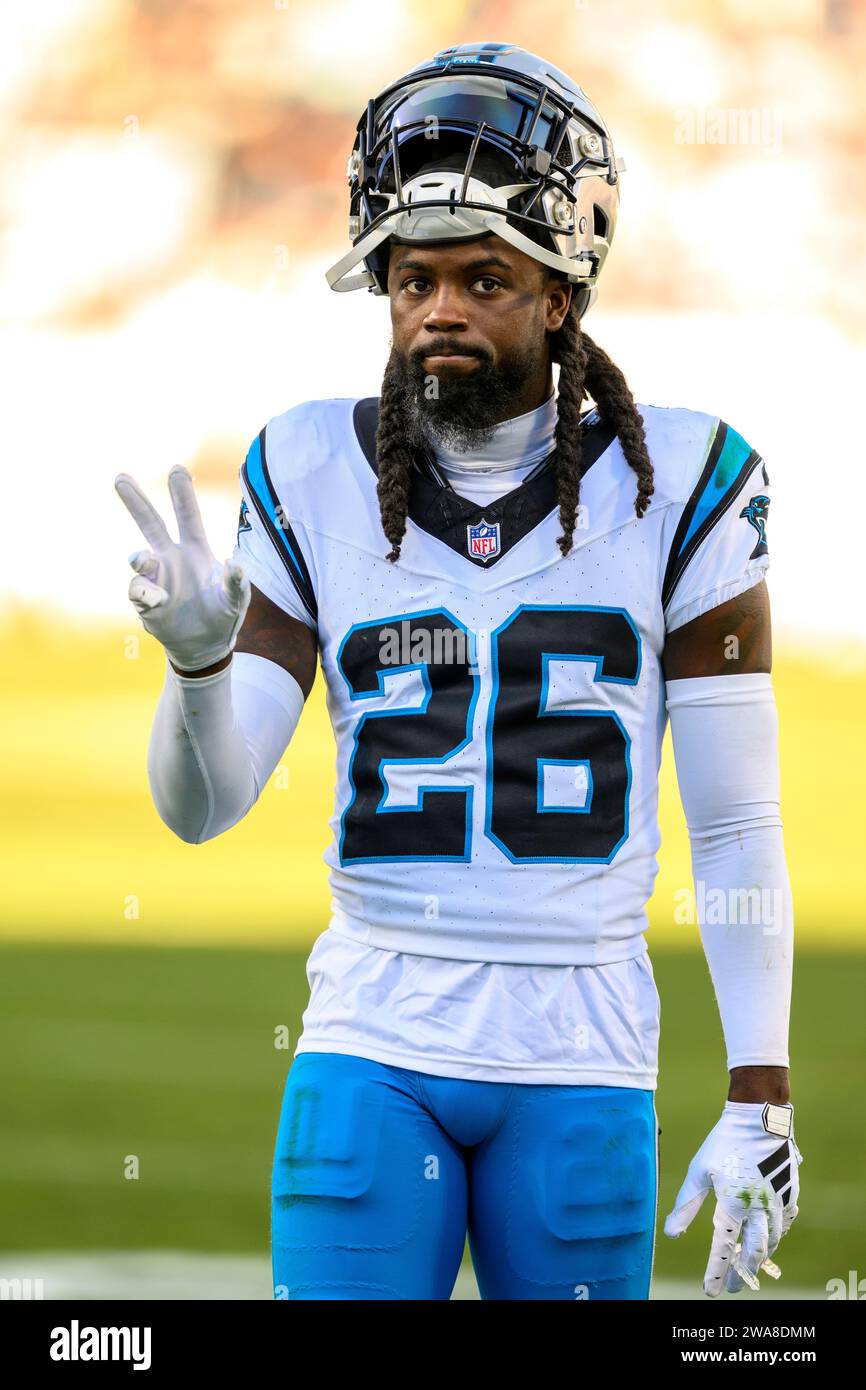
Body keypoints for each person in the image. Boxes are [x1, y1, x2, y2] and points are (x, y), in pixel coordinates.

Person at [115, 42, 800, 1301]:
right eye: (412, 277)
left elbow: (739, 823)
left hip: (584, 1046)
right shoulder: (309, 467)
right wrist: (202, 664)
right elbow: (202, 806)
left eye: (484, 278)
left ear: (559, 296)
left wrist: (760, 1089)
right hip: (370, 1036)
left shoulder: (683, 485)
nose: (439, 309)